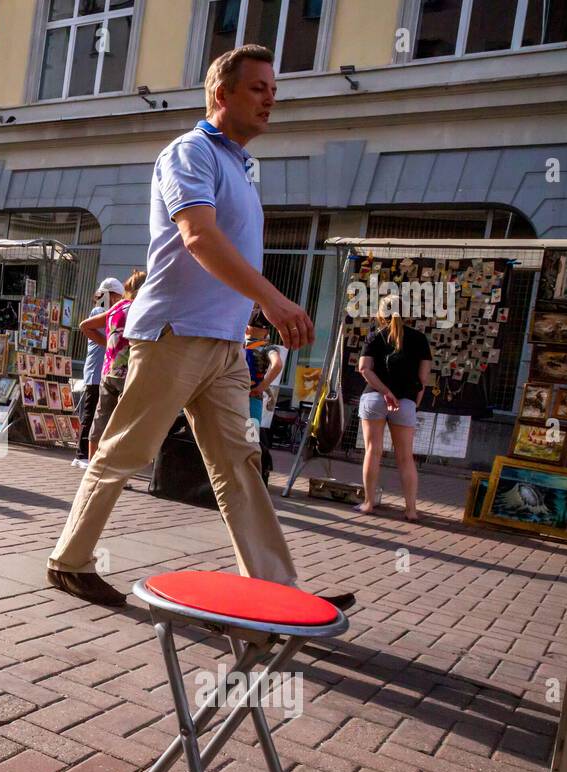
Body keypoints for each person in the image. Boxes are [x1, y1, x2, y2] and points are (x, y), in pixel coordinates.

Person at [46, 45, 353, 612]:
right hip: (174, 332)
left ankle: (277, 592)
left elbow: (222, 256)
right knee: (124, 452)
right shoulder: (190, 153)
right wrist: (275, 302)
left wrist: (254, 311)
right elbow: (199, 238)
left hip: (224, 343)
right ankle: (69, 562)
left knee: (240, 466)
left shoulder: (239, 167)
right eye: (258, 88)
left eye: (274, 91)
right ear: (221, 93)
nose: (270, 100)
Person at [356, 294, 432, 521]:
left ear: (381, 313)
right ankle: (410, 510)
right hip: (405, 401)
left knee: (373, 450)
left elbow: (364, 369)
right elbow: (423, 378)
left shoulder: (374, 337)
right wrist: (413, 403)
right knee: (406, 457)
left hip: (374, 398)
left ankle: (369, 503)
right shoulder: (420, 339)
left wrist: (385, 391)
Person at [84, 269, 147, 450]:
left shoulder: (115, 309)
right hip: (128, 372)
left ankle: (91, 465)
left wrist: (109, 345)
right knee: (123, 424)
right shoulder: (140, 309)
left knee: (99, 420)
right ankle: (115, 471)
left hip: (107, 369)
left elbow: (85, 326)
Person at [73, 278, 126, 467]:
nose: (120, 299)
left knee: (95, 413)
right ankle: (82, 455)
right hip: (96, 371)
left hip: (101, 370)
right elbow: (111, 336)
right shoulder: (100, 311)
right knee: (91, 414)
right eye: (118, 296)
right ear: (109, 295)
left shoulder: (106, 311)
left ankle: (84, 454)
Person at [245, 306, 286, 482]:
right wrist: (263, 387)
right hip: (253, 399)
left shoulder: (239, 343)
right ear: (267, 330)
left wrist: (263, 387)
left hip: (234, 396)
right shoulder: (267, 348)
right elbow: (276, 365)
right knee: (251, 439)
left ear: (247, 328)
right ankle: (252, 476)